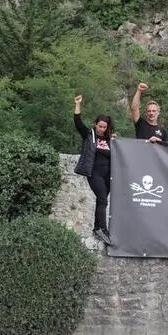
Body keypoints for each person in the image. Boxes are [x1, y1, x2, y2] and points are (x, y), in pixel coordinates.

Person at [72, 94, 114, 246]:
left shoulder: (110, 140)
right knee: (102, 197)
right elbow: (78, 123)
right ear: (95, 124)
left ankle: (97, 228)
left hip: (108, 173)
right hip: (94, 172)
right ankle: (102, 228)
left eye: (104, 127)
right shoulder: (89, 135)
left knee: (102, 201)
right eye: (100, 126)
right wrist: (77, 105)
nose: (102, 129)